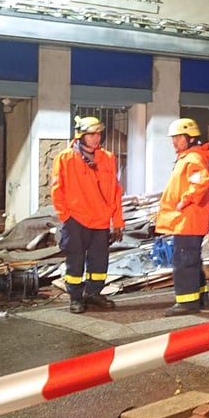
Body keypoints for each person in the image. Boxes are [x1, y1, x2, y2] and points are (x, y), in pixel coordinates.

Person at [51, 116, 125, 313]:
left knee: (99, 261)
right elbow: (57, 191)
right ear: (81, 136)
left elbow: (115, 192)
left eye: (99, 134)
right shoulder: (65, 158)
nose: (96, 138)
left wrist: (117, 222)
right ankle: (76, 297)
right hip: (75, 220)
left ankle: (93, 294)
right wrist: (66, 216)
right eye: (92, 134)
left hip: (101, 221)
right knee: (75, 261)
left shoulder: (108, 158)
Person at [156, 117, 209, 316]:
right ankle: (199, 297)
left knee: (184, 262)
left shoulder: (193, 158)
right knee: (191, 259)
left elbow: (201, 183)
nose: (174, 141)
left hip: (188, 220)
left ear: (190, 138)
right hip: (187, 220)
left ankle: (187, 303)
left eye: (178, 137)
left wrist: (185, 200)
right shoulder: (189, 156)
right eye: (173, 138)